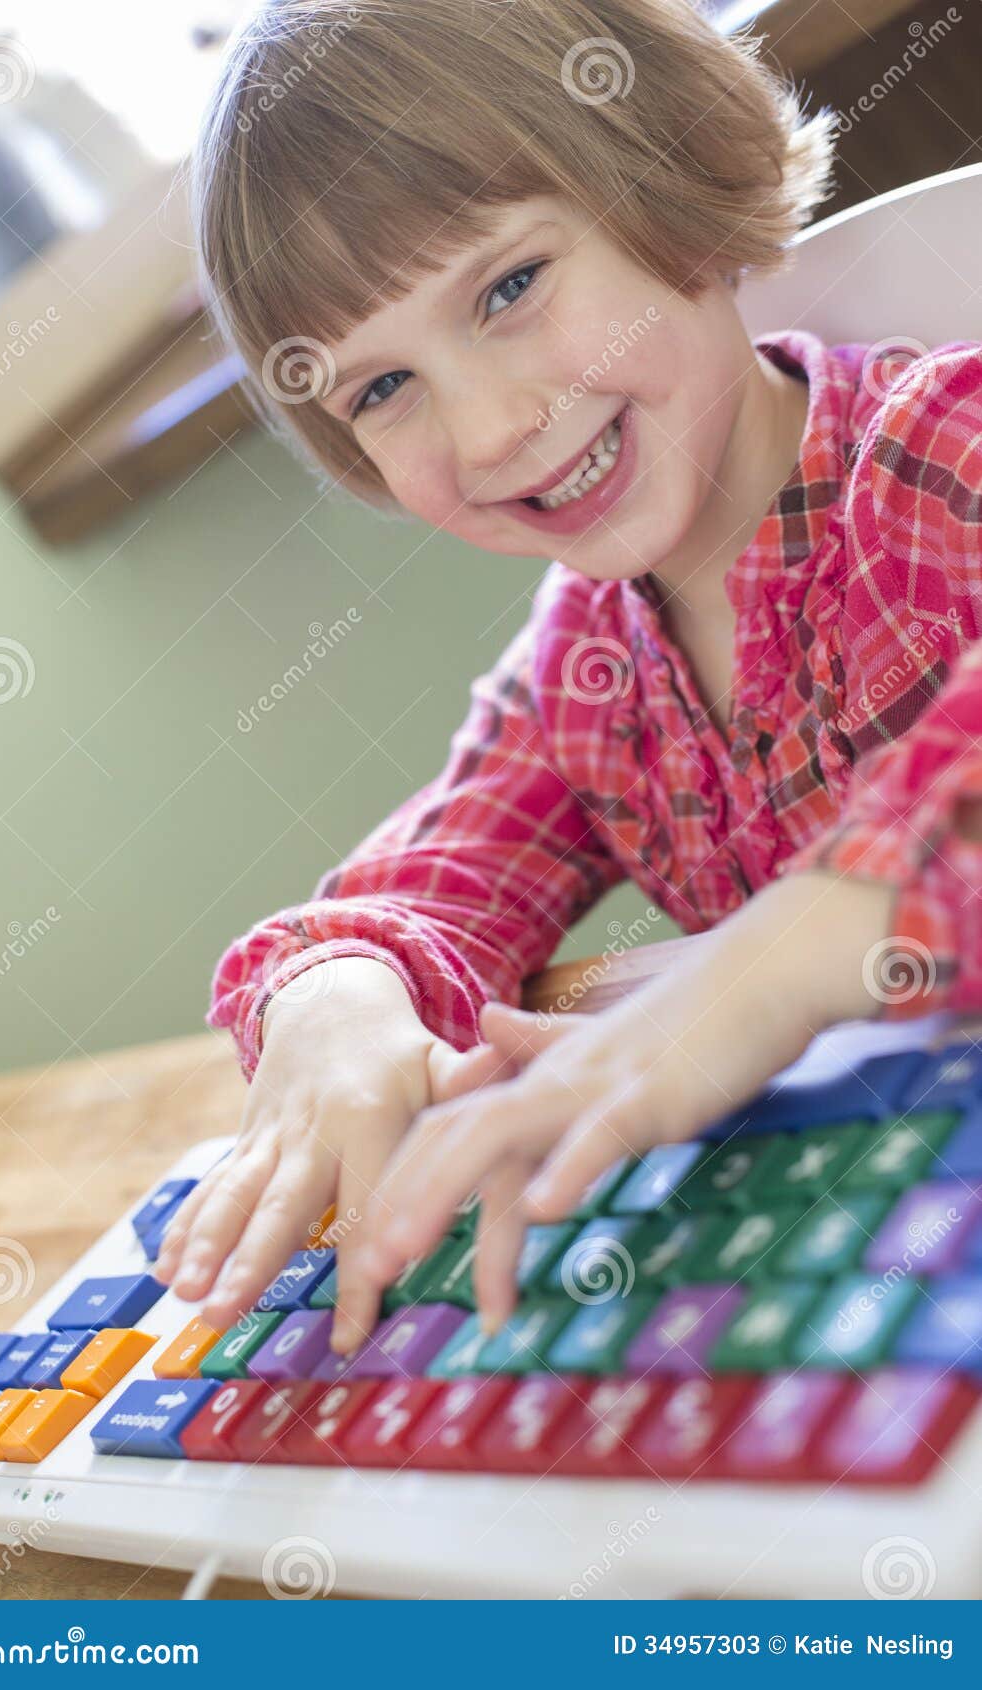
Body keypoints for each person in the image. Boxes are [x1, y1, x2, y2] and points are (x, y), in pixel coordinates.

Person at [153, 0, 982, 1352]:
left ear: (673, 178)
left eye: (508, 288)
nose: (487, 429)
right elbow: (417, 888)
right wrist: (331, 1002)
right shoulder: (583, 667)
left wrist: (795, 950)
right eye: (380, 390)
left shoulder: (941, 450)